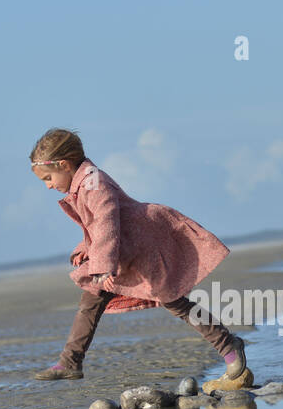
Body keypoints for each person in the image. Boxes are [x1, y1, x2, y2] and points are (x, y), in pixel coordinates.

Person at [29, 128, 249, 386]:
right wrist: (86, 252)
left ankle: (229, 346)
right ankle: (70, 361)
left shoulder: (93, 182)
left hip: (144, 248)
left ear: (64, 165)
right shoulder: (82, 186)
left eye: (48, 177)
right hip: (124, 253)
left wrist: (102, 268)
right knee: (91, 301)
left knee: (174, 302)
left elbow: (106, 221)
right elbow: (96, 229)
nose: (48, 185)